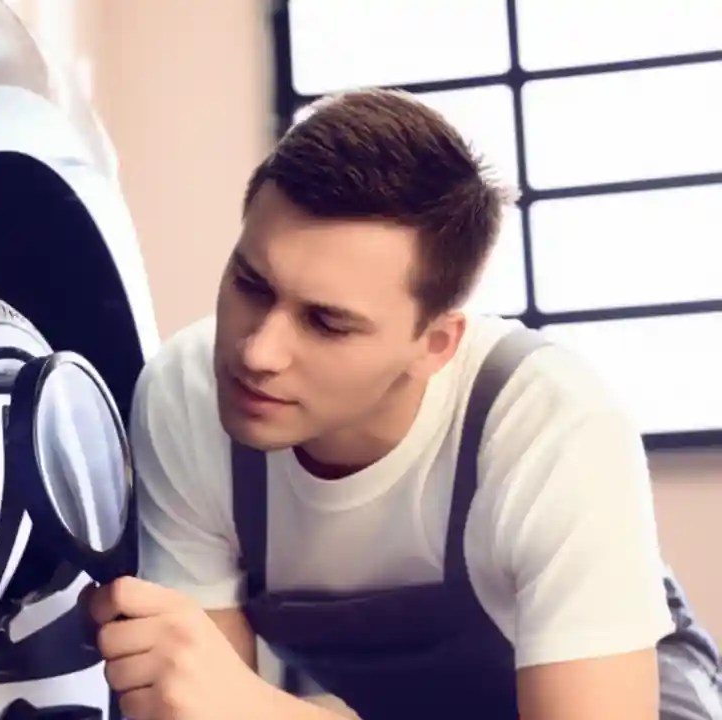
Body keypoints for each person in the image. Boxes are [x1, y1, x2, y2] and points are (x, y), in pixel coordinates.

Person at [87, 88, 722, 719]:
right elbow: (199, 705)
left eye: (328, 323)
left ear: (435, 345)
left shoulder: (551, 424)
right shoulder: (188, 397)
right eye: (251, 284)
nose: (259, 352)